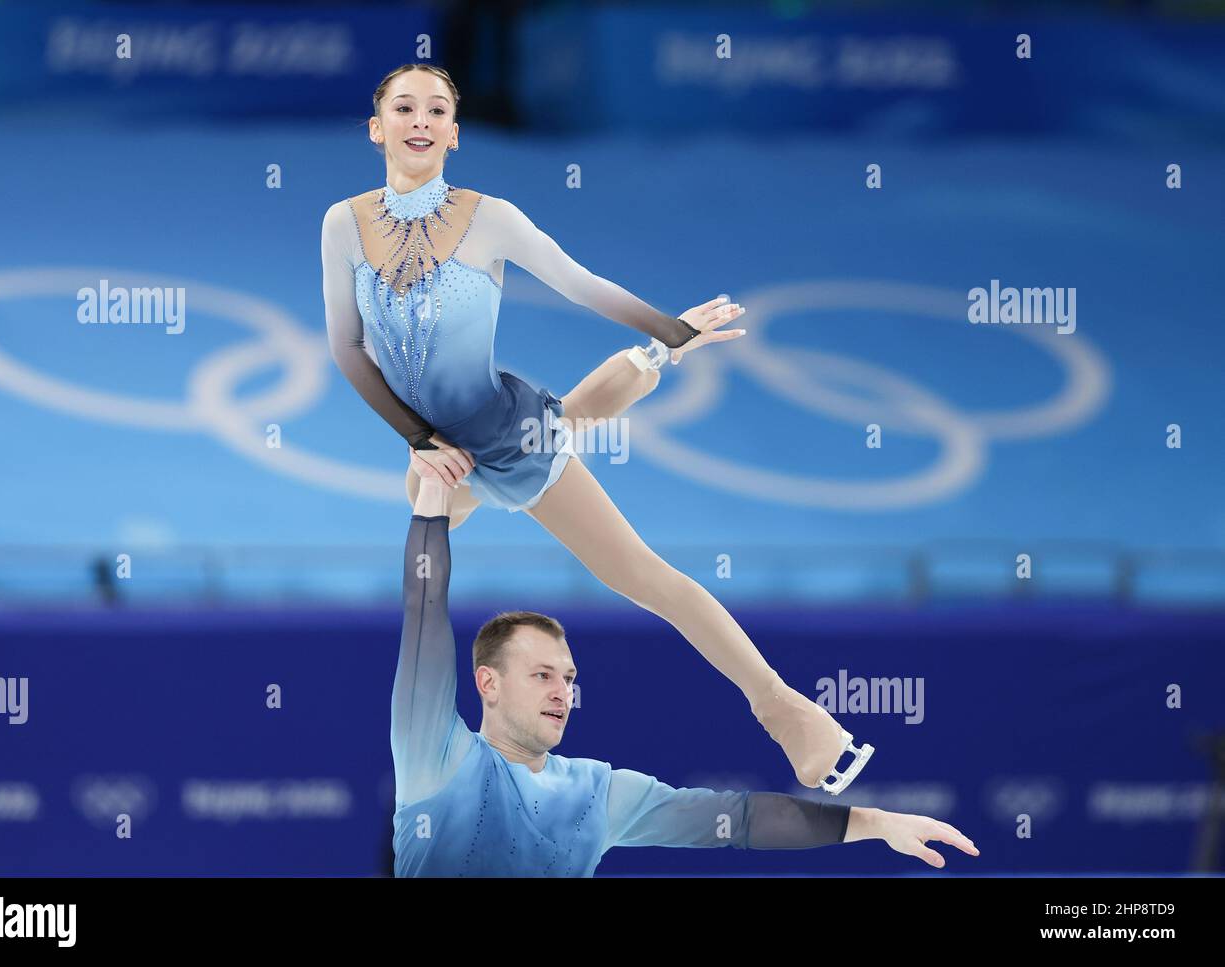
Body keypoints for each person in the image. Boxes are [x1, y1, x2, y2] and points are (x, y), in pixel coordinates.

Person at [322, 61, 867, 791]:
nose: (420, 120)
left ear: (454, 133)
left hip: (504, 434)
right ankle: (597, 396)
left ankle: (786, 709)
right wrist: (418, 437)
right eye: (404, 107)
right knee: (430, 506)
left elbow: (582, 283)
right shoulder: (342, 223)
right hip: (439, 448)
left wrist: (670, 329)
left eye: (437, 110)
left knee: (642, 575)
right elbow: (347, 348)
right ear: (376, 126)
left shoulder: (493, 218)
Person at [392, 470, 979, 876]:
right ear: (487, 684)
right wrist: (432, 505)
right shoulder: (436, 758)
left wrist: (873, 822)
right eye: (542, 675)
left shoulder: (599, 794)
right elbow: (424, 609)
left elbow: (739, 820)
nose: (563, 692)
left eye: (569, 678)